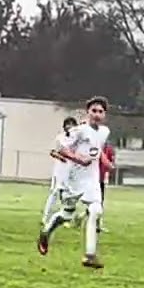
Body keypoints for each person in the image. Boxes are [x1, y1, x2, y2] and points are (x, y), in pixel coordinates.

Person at [39, 97, 110, 269]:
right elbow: (60, 147)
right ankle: (46, 232)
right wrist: (79, 159)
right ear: (88, 112)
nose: (97, 114)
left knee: (96, 210)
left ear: (105, 115)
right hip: (74, 179)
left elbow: (97, 148)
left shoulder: (104, 132)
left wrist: (105, 161)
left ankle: (90, 255)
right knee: (67, 214)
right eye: (94, 111)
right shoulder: (79, 131)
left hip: (91, 180)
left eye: (100, 111)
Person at [43, 116, 78, 226]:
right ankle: (45, 216)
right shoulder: (60, 138)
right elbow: (52, 152)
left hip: (71, 170)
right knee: (54, 192)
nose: (69, 127)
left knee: (68, 195)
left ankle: (65, 218)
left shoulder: (77, 140)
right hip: (60, 170)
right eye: (68, 124)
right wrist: (61, 157)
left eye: (72, 125)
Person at [98, 142, 116, 233]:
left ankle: (98, 224)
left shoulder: (109, 148)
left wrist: (110, 169)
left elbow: (110, 161)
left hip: (101, 179)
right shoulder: (94, 147)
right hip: (92, 180)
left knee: (100, 201)